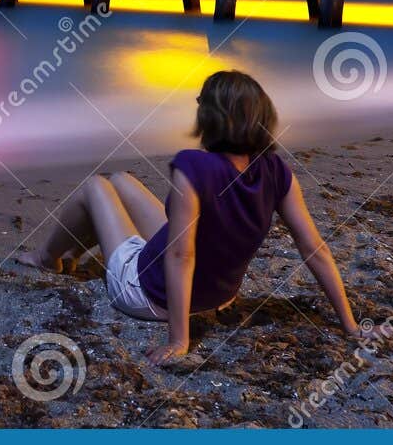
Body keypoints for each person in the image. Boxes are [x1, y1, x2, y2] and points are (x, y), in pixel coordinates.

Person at [18, 69, 358, 362]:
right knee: (121, 181)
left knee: (95, 187)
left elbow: (182, 255)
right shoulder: (275, 170)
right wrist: (350, 326)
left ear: (211, 119)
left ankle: (47, 257)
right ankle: (76, 249)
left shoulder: (194, 167)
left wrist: (179, 340)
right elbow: (314, 248)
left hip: (148, 295)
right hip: (219, 296)